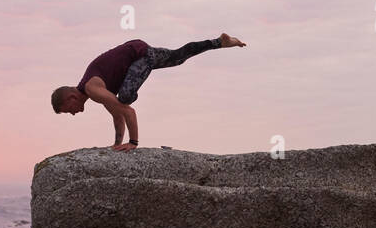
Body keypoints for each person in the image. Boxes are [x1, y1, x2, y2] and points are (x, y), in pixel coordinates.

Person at [50, 34, 247, 150]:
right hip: (141, 51)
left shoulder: (92, 89)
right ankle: (220, 42)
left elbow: (127, 111)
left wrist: (133, 143)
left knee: (125, 98)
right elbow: (116, 114)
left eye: (68, 109)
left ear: (71, 97)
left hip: (140, 56)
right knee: (178, 57)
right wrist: (117, 145)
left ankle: (132, 125)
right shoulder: (94, 88)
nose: (73, 113)